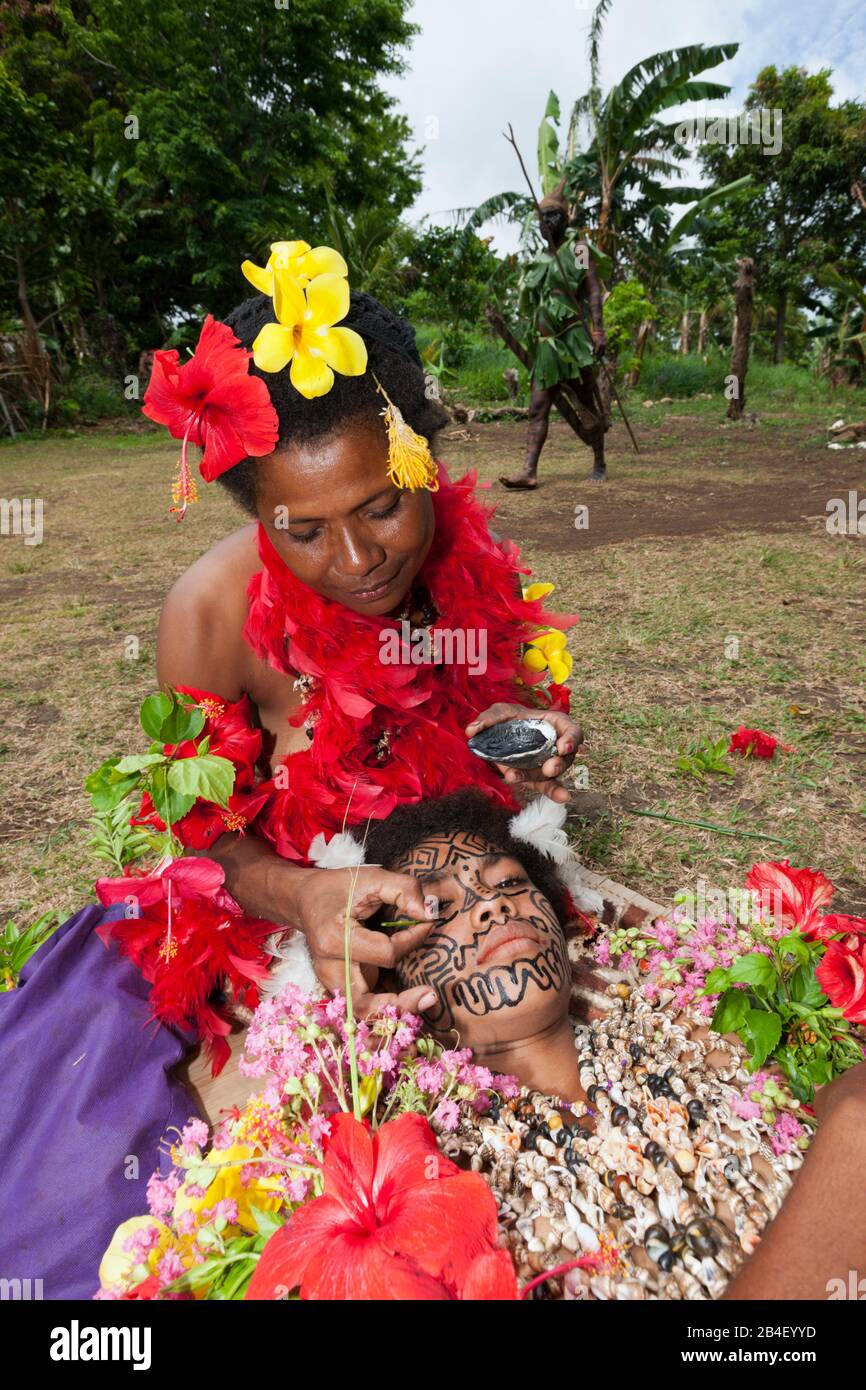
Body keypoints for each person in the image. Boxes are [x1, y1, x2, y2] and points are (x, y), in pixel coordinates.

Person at [151, 240, 585, 1015]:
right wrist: (301, 894)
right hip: (306, 939)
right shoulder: (207, 618)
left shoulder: (469, 559)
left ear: (423, 463)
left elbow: (485, 720)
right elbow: (202, 832)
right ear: (258, 516)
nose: (359, 561)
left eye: (383, 507)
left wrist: (519, 758)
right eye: (304, 531)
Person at [499, 185, 609, 490]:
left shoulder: (578, 248)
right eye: (541, 217)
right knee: (537, 407)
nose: (545, 222)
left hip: (572, 340)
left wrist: (598, 330)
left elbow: (595, 290)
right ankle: (529, 471)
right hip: (546, 345)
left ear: (564, 218)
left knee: (586, 404)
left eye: (551, 216)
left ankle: (599, 461)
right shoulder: (540, 258)